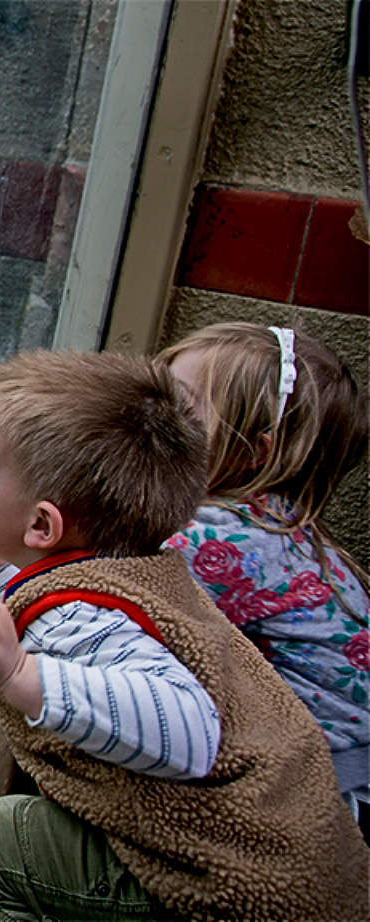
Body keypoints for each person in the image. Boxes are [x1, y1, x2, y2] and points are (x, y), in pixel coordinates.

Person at [0, 349, 369, 921]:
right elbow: (23, 566)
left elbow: (189, 730)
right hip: (315, 852)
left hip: (248, 890)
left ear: (42, 524)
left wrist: (22, 674)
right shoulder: (132, 561)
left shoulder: (81, 613)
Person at [157, 322, 370, 825]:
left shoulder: (223, 541)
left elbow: (93, 579)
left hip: (324, 804)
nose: (148, 414)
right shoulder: (278, 526)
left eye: (180, 405)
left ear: (254, 452)